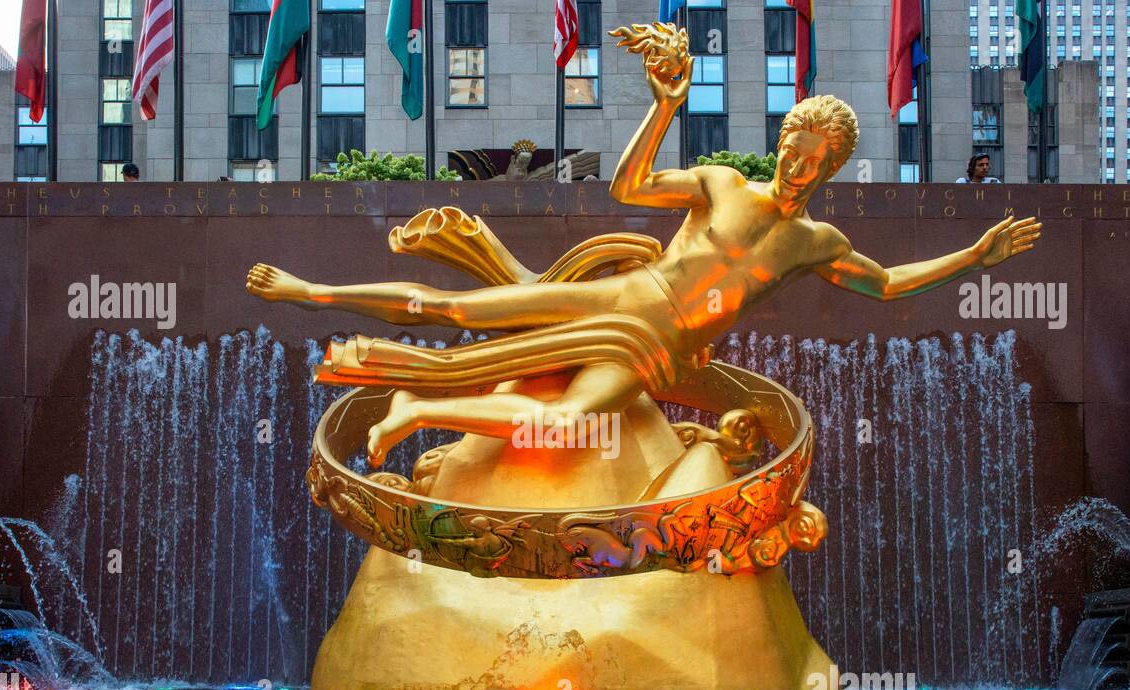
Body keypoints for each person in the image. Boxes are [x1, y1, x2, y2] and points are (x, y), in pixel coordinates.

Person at [248, 22, 1039, 466]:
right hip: (629, 296)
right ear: (785, 140)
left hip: (657, 354)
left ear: (832, 168)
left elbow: (890, 285)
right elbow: (629, 188)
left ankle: (416, 407)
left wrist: (976, 256)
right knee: (456, 307)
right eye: (797, 148)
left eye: (820, 160)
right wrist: (664, 107)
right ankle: (310, 291)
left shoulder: (814, 239)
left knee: (558, 430)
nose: (803, 165)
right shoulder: (724, 182)